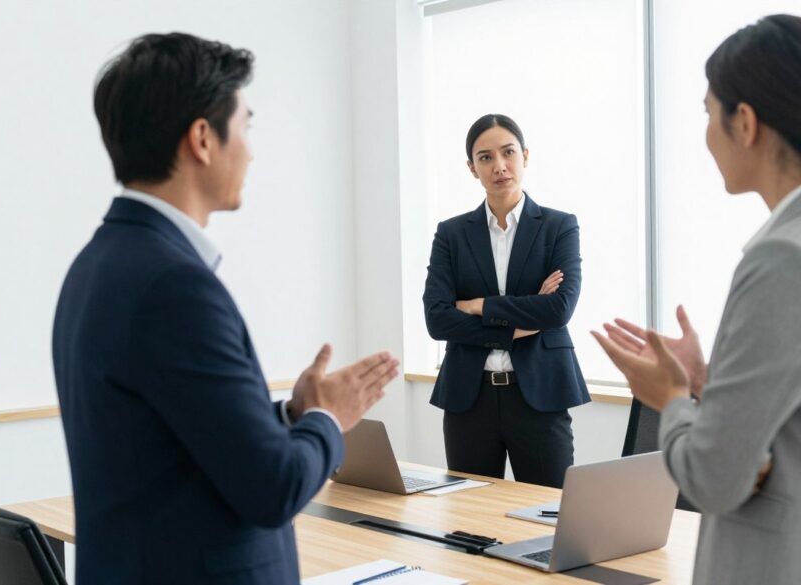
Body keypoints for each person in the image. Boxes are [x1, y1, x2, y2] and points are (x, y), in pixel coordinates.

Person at [52, 33, 399, 585]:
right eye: (246, 125)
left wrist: (289, 415)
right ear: (202, 140)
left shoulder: (97, 264)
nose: (252, 149)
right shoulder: (173, 286)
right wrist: (329, 417)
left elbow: (183, 441)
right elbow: (273, 488)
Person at [593, 15, 801, 585]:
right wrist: (707, 382)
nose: (704, 136)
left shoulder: (788, 258)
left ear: (744, 122)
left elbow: (713, 477)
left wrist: (669, 399)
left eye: (706, 114)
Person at [423, 114, 589, 489]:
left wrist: (479, 305)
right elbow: (437, 320)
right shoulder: (451, 234)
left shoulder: (559, 226)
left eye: (508, 152)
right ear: (472, 168)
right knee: (470, 524)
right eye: (485, 157)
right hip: (470, 398)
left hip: (540, 397)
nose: (499, 166)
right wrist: (519, 324)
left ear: (525, 155)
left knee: (550, 516)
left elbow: (559, 308)